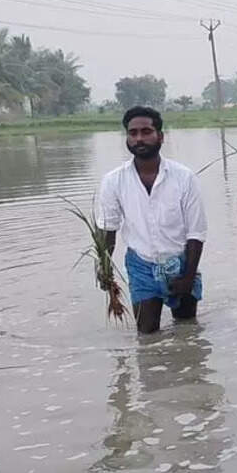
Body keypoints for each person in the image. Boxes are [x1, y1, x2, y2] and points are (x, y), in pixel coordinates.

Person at [97, 106, 206, 334]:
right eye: (133, 133)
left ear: (160, 136)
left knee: (187, 331)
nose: (139, 138)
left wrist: (188, 276)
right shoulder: (113, 181)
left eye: (146, 132)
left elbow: (196, 232)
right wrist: (104, 268)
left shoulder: (184, 177)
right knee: (146, 333)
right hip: (141, 265)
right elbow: (108, 230)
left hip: (181, 262)